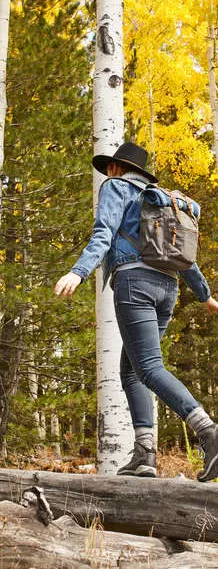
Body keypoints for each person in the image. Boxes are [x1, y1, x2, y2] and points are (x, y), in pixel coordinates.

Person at [54, 142, 218, 481]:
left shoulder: (115, 187)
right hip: (167, 288)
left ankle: (209, 433)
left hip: (134, 284)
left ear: (116, 168)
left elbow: (103, 234)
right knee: (130, 371)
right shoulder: (161, 201)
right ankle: (145, 455)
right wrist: (205, 295)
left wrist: (78, 271)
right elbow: (183, 258)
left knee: (149, 368)